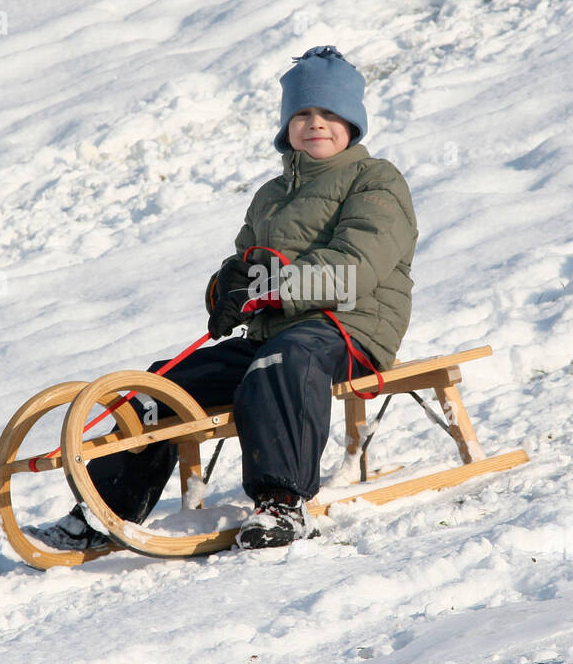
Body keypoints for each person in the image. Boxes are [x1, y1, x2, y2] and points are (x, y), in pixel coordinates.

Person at [28, 46, 417, 551]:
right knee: (161, 384)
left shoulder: (376, 180)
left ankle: (283, 504)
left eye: (329, 113)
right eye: (302, 113)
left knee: (283, 360)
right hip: (272, 334)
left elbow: (355, 270)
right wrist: (227, 292)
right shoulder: (270, 196)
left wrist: (275, 286)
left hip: (349, 330)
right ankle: (105, 510)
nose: (315, 124)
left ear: (352, 123)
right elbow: (243, 265)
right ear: (286, 126)